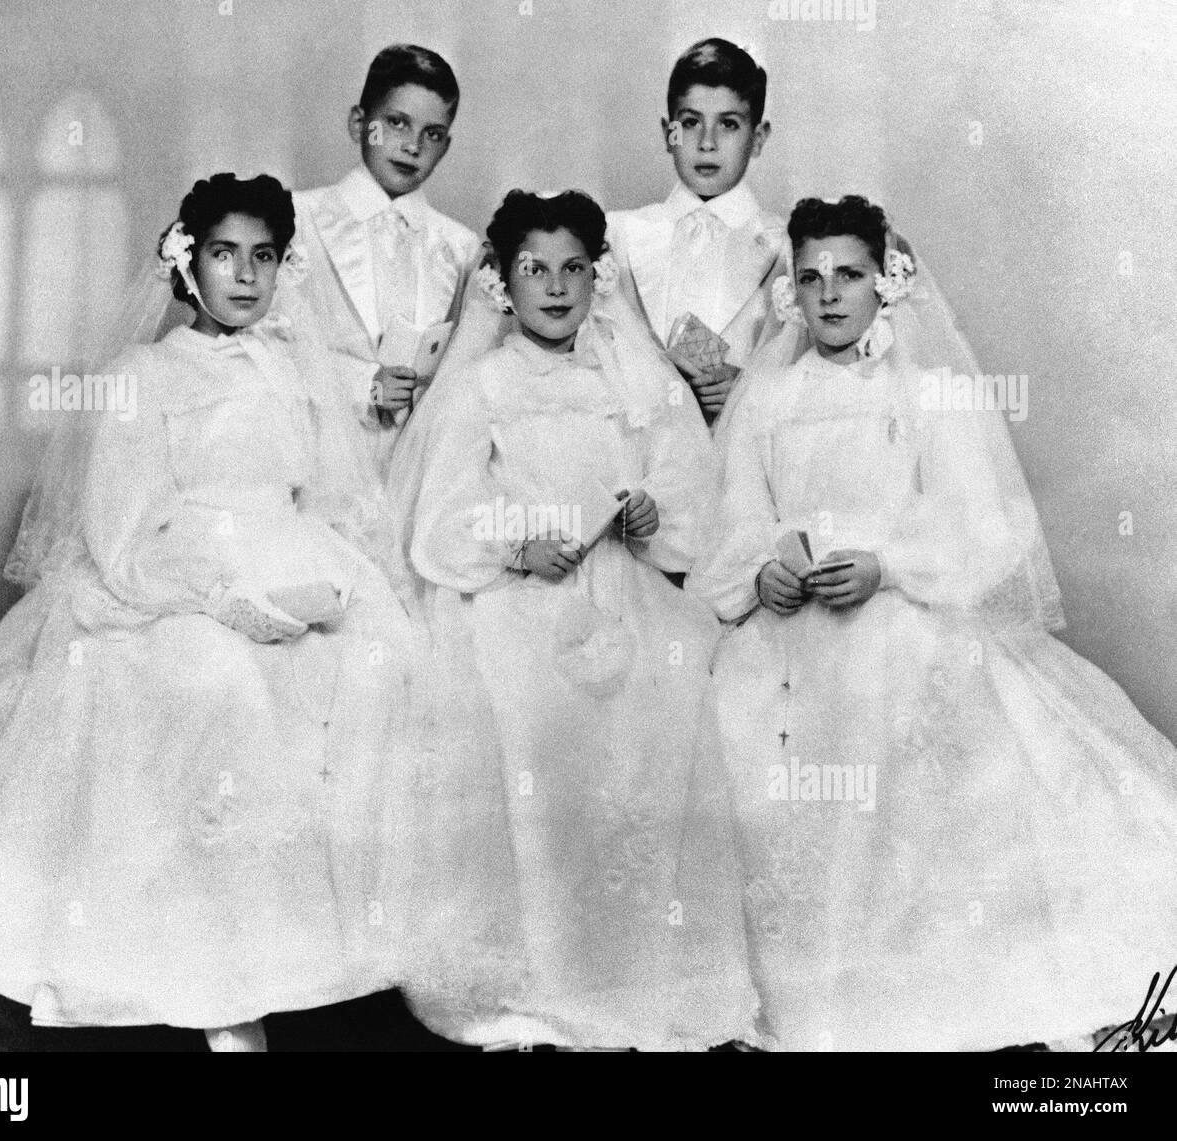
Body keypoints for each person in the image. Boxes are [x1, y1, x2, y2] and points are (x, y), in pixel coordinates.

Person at [0, 174, 412, 1051]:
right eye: (224, 253)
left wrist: (328, 584)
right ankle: (212, 981)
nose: (245, 275)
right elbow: (124, 538)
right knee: (220, 684)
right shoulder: (144, 374)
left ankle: (317, 953)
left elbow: (321, 501)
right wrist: (234, 600)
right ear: (186, 260)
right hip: (168, 588)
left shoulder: (289, 371)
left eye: (264, 257)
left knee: (378, 669)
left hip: (291, 568)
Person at [688, 194, 1177, 1051]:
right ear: (789, 294)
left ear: (887, 280)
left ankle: (921, 975)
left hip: (901, 618)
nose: (830, 295)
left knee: (916, 729)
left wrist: (887, 565)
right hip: (788, 639)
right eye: (810, 279)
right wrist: (764, 571)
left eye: (849, 275)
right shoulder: (768, 393)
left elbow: (987, 530)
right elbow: (735, 523)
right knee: (741, 750)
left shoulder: (925, 387)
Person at [385, 189, 757, 1050]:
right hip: (523, 601)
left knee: (666, 711)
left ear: (599, 275)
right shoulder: (481, 385)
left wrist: (649, 516)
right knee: (535, 721)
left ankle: (641, 971)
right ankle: (542, 977)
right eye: (533, 269)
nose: (555, 287)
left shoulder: (635, 377)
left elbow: (687, 484)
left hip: (625, 589)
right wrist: (516, 544)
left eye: (572, 268)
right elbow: (440, 522)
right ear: (501, 282)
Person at [284, 43, 481, 496]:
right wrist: (361, 384)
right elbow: (270, 342)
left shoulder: (459, 246)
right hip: (320, 462)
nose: (412, 146)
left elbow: (462, 369)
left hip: (413, 473)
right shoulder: (297, 219)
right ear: (359, 124)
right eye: (396, 123)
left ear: (445, 147)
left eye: (432, 134)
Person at [607, 37, 785, 425]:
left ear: (758, 138)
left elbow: (818, 373)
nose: (706, 143)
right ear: (667, 133)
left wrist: (749, 389)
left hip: (740, 456)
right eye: (690, 123)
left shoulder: (787, 246)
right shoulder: (614, 235)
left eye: (729, 124)